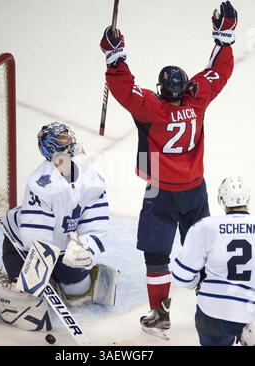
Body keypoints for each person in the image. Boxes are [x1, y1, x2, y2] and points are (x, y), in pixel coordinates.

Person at [100, 1, 237, 336]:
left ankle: (161, 315)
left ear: (162, 91)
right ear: (186, 87)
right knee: (203, 248)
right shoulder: (198, 100)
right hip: (194, 188)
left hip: (159, 189)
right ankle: (218, 304)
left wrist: (114, 54)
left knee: (157, 255)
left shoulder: (151, 109)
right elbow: (218, 72)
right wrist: (225, 35)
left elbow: (124, 88)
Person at [0, 121, 117, 331]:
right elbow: (34, 237)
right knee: (30, 297)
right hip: (23, 247)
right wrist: (39, 275)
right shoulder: (41, 183)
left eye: (69, 136)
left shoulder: (92, 181)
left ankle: (58, 280)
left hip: (61, 245)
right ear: (50, 147)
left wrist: (86, 250)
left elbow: (96, 225)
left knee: (79, 289)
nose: (69, 142)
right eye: (62, 139)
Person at [171, 176, 255, 346]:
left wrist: (199, 283)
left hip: (213, 311)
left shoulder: (205, 227)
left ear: (221, 200)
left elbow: (181, 277)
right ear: (248, 199)